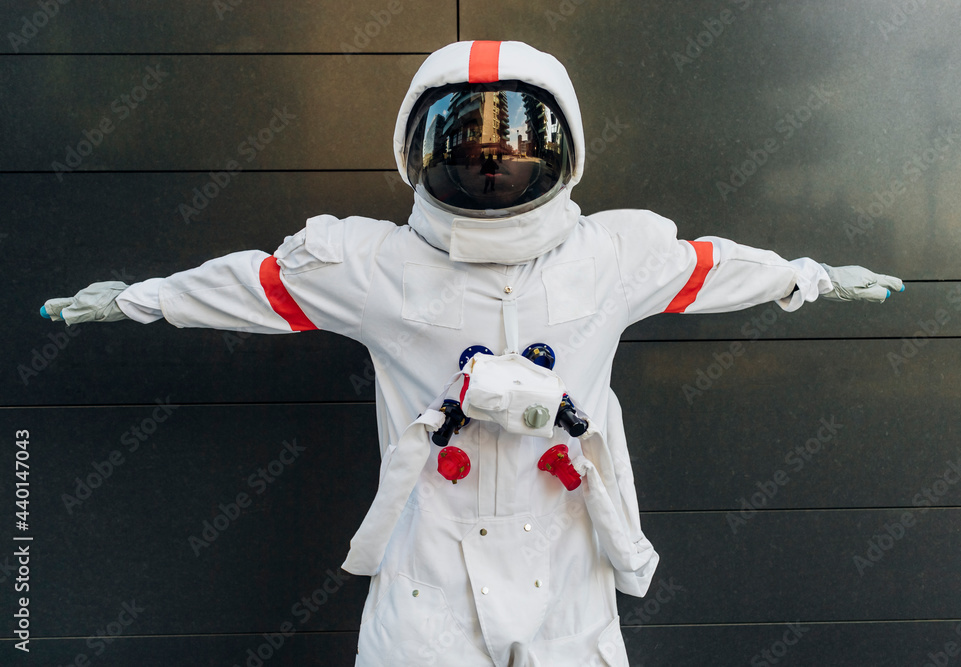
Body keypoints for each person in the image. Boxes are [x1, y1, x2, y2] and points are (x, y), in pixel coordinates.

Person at [41, 41, 903, 666]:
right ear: (419, 149)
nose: (493, 161)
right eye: (468, 143)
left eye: (515, 140)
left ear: (560, 147)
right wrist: (137, 298)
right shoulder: (376, 267)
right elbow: (250, 287)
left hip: (566, 555)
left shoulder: (611, 256)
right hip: (430, 571)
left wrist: (808, 275)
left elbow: (713, 267)